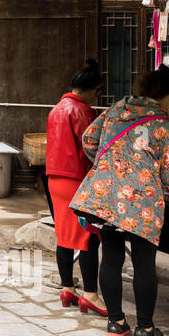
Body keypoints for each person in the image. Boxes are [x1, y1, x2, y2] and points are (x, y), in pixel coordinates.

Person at [71, 66, 169, 336]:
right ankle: (145, 328)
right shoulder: (164, 127)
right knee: (144, 264)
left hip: (105, 197)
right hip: (141, 204)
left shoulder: (119, 107)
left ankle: (115, 323)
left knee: (112, 257)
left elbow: (89, 139)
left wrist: (109, 167)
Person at [47, 59, 106, 315]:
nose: (96, 97)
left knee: (64, 236)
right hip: (75, 180)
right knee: (88, 236)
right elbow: (91, 146)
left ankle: (68, 288)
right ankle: (91, 294)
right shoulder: (82, 111)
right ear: (91, 90)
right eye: (97, 92)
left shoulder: (56, 109)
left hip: (54, 179)